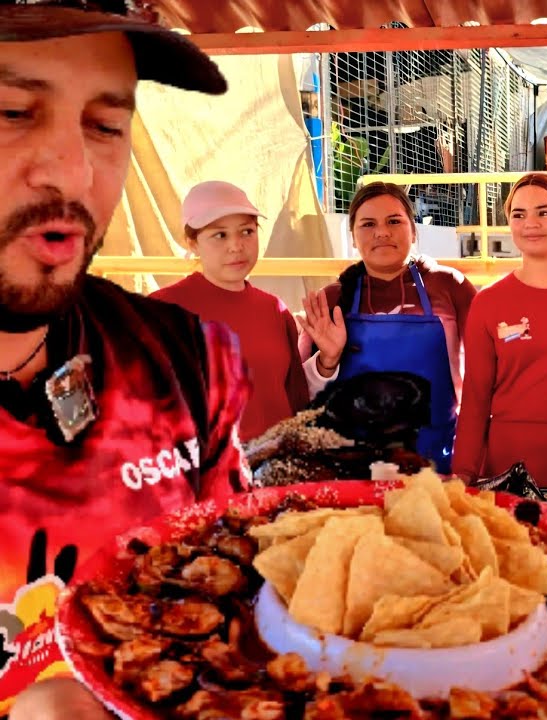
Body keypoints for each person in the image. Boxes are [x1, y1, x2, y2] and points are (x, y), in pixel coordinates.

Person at [0, 4, 248, 718]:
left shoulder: (187, 360)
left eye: (106, 126)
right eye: (14, 111)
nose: (73, 174)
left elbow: (231, 609)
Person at [296, 181, 476, 474]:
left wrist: (470, 463)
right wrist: (326, 362)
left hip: (437, 465)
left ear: (413, 230)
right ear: (353, 237)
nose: (382, 232)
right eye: (368, 224)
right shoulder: (332, 300)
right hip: (351, 469)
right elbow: (301, 396)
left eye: (394, 221)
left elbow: (483, 378)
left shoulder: (449, 286)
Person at [453, 174, 547, 487]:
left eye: (544, 212)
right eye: (519, 215)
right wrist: (463, 472)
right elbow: (476, 397)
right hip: (508, 473)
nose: (530, 223)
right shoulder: (488, 302)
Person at [151, 181, 309, 441]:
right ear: (192, 243)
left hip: (277, 467)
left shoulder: (275, 310)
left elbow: (296, 399)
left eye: (247, 231)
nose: (236, 246)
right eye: (220, 235)